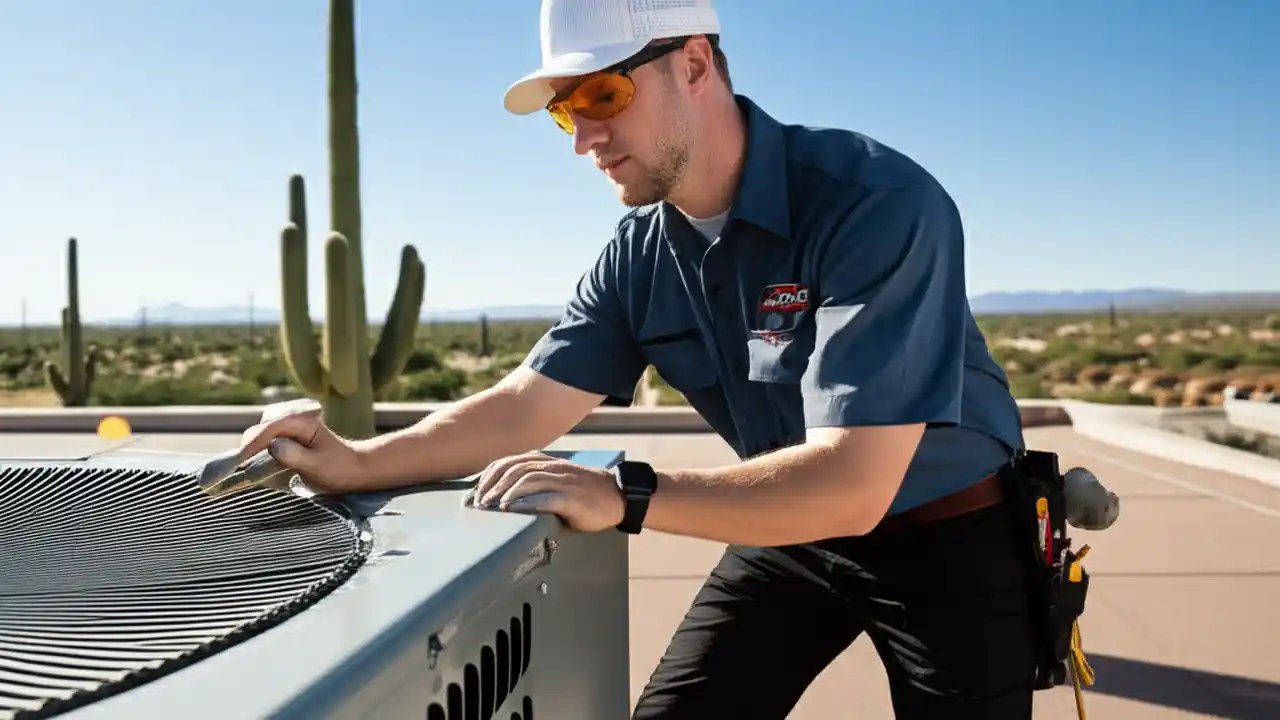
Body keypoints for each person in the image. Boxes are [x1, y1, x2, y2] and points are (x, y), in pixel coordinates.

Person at [236, 0, 1038, 717]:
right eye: (564, 111)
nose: (583, 136)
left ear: (693, 63)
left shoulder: (874, 202)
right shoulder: (640, 255)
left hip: (948, 538)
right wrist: (357, 462)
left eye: (602, 95)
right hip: (787, 525)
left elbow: (855, 485)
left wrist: (626, 495)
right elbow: (526, 406)